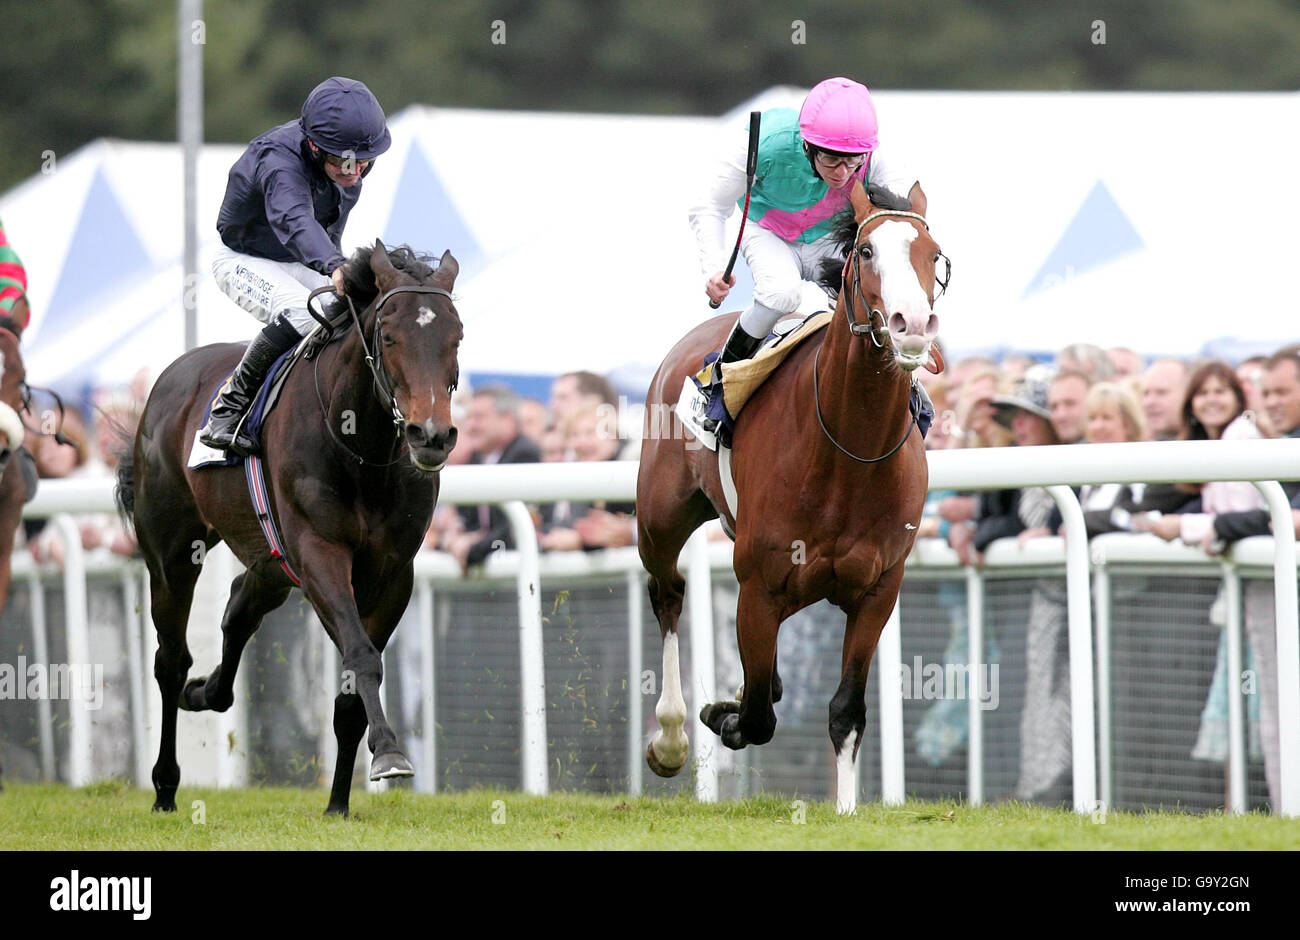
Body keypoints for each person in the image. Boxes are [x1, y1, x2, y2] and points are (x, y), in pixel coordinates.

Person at [688, 77, 925, 438]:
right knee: (780, 295)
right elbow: (709, 205)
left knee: (865, 302)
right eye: (831, 160)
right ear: (806, 145)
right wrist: (713, 266)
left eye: (852, 162)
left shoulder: (872, 155)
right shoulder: (762, 143)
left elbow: (906, 219)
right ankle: (718, 381)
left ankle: (909, 387)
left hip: (831, 235)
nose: (843, 173)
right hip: (767, 231)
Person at [199, 76, 392, 455]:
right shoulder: (279, 161)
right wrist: (336, 265)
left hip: (297, 259)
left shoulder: (347, 158)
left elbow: (327, 230)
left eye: (363, 161)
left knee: (353, 313)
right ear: (314, 145)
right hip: (244, 258)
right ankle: (229, 407)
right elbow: (295, 220)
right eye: (342, 160)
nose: (354, 171)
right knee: (305, 315)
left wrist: (342, 271)